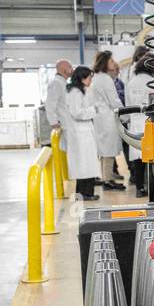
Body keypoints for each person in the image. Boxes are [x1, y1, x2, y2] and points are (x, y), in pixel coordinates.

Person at [61, 66, 101, 200]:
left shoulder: (80, 91)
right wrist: (93, 110)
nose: (90, 81)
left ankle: (85, 193)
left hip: (83, 132)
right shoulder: (75, 92)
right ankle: (85, 193)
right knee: (84, 164)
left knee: (86, 164)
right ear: (82, 78)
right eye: (89, 78)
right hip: (80, 134)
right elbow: (76, 112)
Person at [123, 46, 154, 199]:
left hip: (135, 122)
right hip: (151, 121)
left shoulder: (131, 83)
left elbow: (128, 105)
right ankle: (152, 187)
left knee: (138, 157)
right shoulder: (153, 82)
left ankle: (139, 188)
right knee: (153, 156)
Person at [89, 51, 125, 191]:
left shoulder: (96, 77)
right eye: (110, 61)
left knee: (104, 151)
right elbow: (114, 100)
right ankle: (108, 180)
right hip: (108, 118)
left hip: (100, 118)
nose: (113, 63)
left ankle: (106, 177)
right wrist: (125, 115)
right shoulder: (105, 79)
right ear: (104, 63)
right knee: (109, 150)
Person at [44, 59, 73, 136]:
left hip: (68, 123)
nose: (72, 69)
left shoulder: (63, 82)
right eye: (70, 67)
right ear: (63, 69)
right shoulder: (56, 83)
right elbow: (50, 104)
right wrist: (53, 122)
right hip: (63, 124)